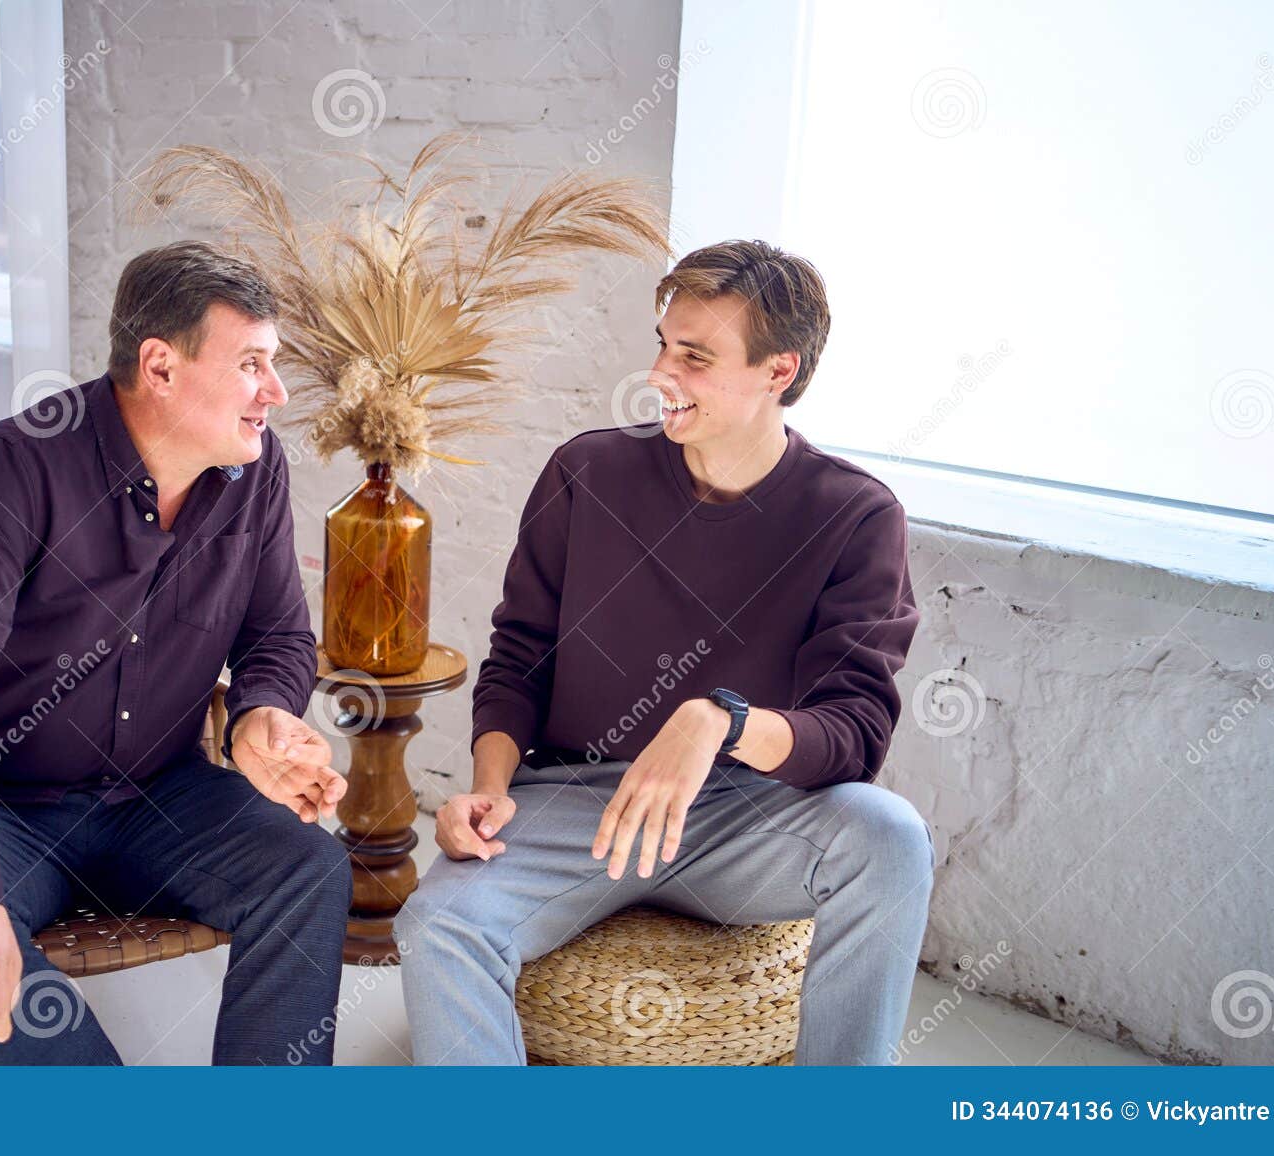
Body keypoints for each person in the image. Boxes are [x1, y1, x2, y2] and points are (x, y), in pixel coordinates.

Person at [396, 239, 935, 1065]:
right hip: (576, 803)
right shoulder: (589, 472)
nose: (660, 374)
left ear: (777, 371)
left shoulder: (856, 515)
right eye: (662, 345)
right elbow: (520, 657)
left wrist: (719, 723)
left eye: (695, 356)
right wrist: (490, 787)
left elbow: (854, 732)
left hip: (743, 817)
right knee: (437, 925)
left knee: (890, 837)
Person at [0, 240, 351, 1065]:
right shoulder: (18, 467)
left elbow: (275, 634)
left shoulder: (255, 467)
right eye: (251, 364)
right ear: (160, 367)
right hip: (7, 808)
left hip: (163, 801)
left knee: (310, 869)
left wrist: (261, 717)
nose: (274, 392)